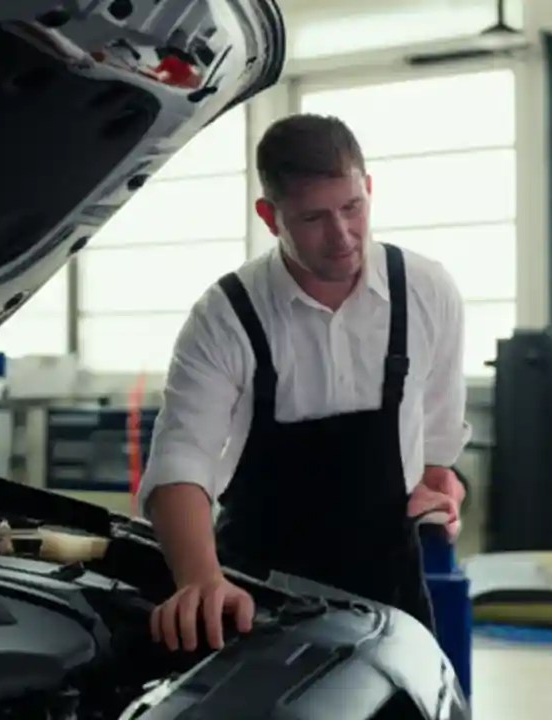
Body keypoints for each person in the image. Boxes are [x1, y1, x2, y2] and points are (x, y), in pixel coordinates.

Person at [138, 113, 471, 653]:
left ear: (368, 188)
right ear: (270, 217)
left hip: (391, 600)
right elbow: (180, 461)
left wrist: (439, 492)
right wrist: (200, 579)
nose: (341, 236)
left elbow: (436, 452)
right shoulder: (226, 316)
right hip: (257, 597)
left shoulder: (427, 292)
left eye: (353, 207)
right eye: (314, 217)